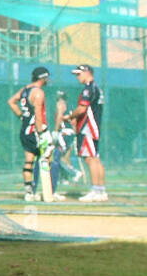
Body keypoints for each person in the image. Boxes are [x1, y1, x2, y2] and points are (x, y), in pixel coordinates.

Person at [6, 66, 60, 201]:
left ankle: (29, 192)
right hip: (36, 131)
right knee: (49, 158)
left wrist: (21, 116)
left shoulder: (24, 90)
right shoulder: (38, 92)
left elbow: (11, 101)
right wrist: (42, 132)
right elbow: (38, 114)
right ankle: (50, 191)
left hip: (25, 130)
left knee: (29, 161)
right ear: (43, 78)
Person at [67, 64, 107, 201]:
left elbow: (82, 108)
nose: (77, 77)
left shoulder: (89, 89)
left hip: (87, 128)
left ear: (87, 72)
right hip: (93, 127)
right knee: (95, 158)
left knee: (90, 159)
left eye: (79, 74)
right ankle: (101, 191)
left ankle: (96, 190)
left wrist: (70, 116)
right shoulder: (97, 88)